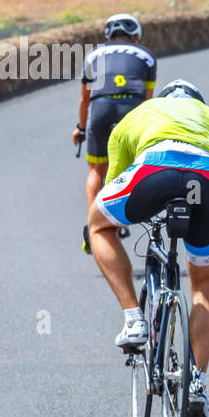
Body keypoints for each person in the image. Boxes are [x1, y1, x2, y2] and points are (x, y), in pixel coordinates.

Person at [89, 80, 209, 417]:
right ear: (199, 102)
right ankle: (196, 381)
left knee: (98, 226)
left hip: (155, 171)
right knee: (206, 288)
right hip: (206, 183)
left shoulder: (139, 114)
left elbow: (115, 179)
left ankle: (134, 319)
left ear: (163, 100)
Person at [72, 13, 156, 254]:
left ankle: (93, 229)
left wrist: (80, 128)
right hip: (133, 108)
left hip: (101, 108)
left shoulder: (93, 55)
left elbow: (84, 99)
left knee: (96, 170)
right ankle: (124, 211)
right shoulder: (147, 56)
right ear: (135, 37)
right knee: (136, 165)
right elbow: (149, 100)